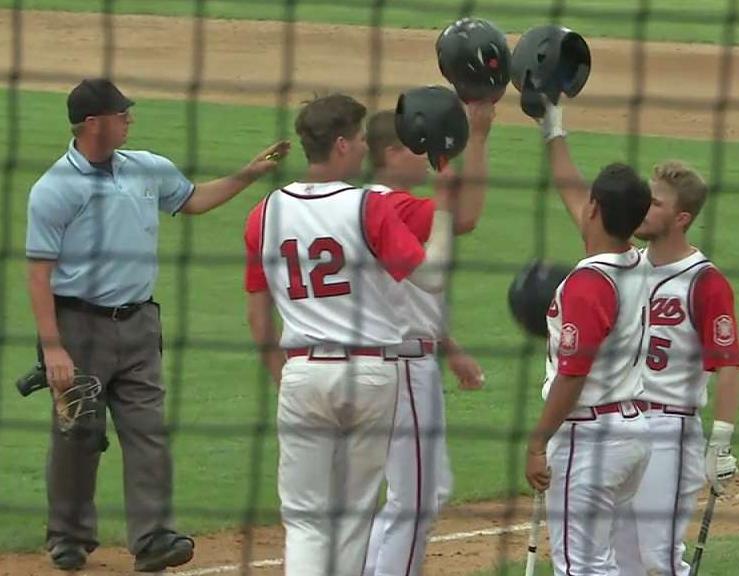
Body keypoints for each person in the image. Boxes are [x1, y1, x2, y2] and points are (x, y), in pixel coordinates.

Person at [24, 77, 289, 572]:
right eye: (122, 114)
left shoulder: (147, 168)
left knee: (148, 432)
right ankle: (68, 536)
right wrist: (53, 348)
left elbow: (193, 200)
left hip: (141, 324)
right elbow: (38, 275)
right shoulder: (54, 189)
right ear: (92, 124)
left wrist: (249, 173)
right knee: (77, 432)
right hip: (79, 327)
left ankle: (152, 539)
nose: (130, 120)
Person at [243, 93, 455, 576]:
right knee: (356, 516)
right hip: (372, 374)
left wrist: (290, 378)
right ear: (340, 145)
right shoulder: (368, 208)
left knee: (305, 521)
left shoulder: (264, 213)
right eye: (360, 138)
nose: (365, 147)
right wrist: (441, 210)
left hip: (302, 373)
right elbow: (433, 276)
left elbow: (259, 321)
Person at [535, 99, 739, 575]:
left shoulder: (704, 281)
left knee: (654, 561)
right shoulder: (627, 264)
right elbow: (580, 201)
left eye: (657, 204)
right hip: (628, 427)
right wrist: (553, 131)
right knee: (624, 561)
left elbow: (728, 362)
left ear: (682, 218)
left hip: (671, 429)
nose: (646, 209)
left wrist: (721, 444)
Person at [361, 101, 493, 576]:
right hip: (401, 369)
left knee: (413, 493)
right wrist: (478, 137)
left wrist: (450, 346)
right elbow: (469, 216)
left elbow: (402, 294)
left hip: (382, 359)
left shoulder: (362, 205)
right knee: (418, 496)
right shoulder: (392, 206)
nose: (429, 154)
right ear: (393, 152)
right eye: (419, 148)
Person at [523, 159, 653, 575]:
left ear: (594, 209)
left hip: (590, 439)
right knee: (608, 561)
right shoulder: (642, 263)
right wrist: (553, 133)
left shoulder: (587, 285)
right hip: (631, 434)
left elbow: (573, 373)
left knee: (581, 567)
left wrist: (537, 443)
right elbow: (589, 206)